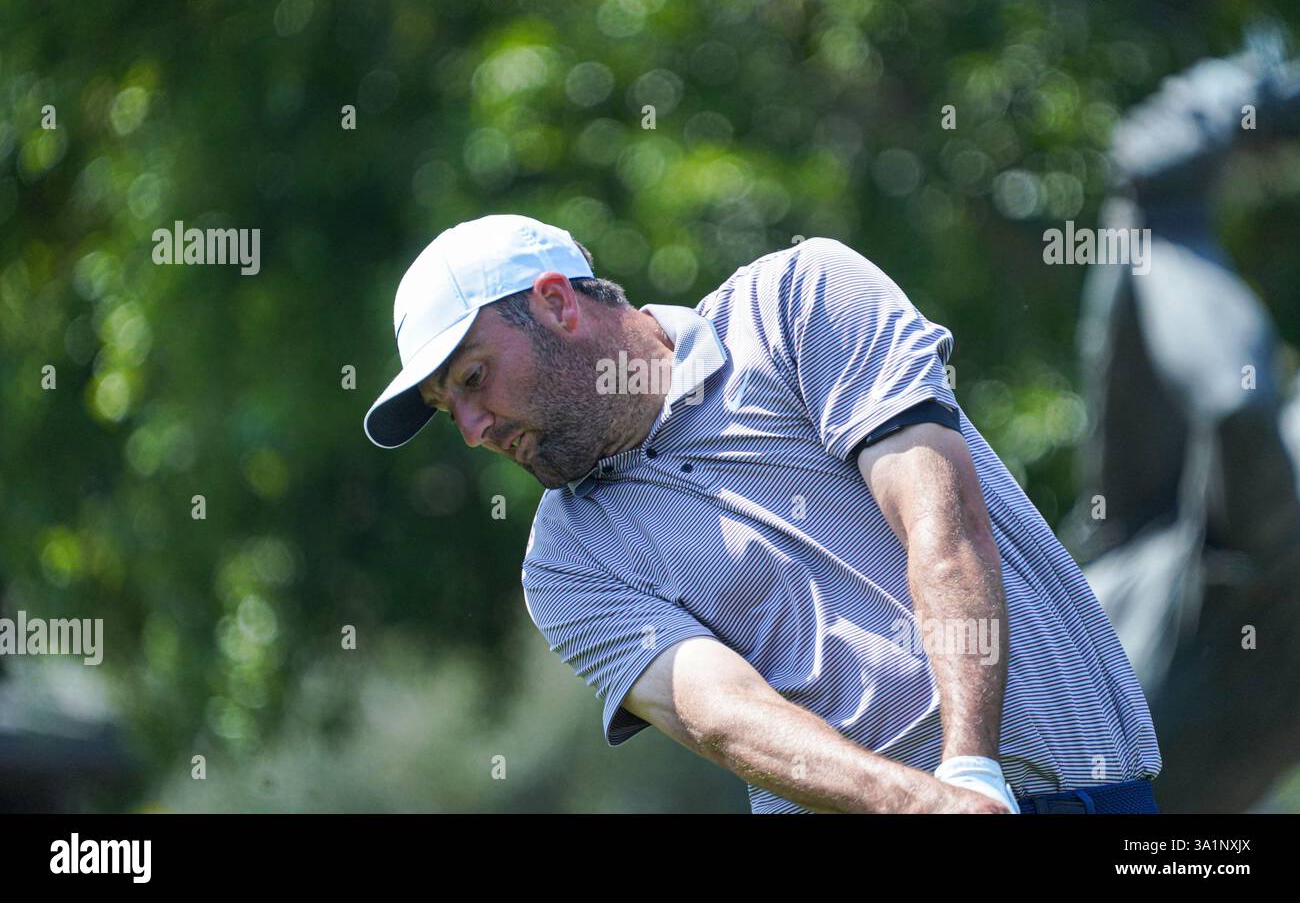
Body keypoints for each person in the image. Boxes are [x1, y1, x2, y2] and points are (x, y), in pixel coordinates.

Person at [364, 213, 1162, 813]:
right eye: (447, 409)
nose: (471, 430)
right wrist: (927, 806)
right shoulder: (567, 561)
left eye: (472, 379)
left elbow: (939, 522)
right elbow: (723, 715)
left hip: (1087, 792)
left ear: (555, 306)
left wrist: (969, 771)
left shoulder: (797, 300)